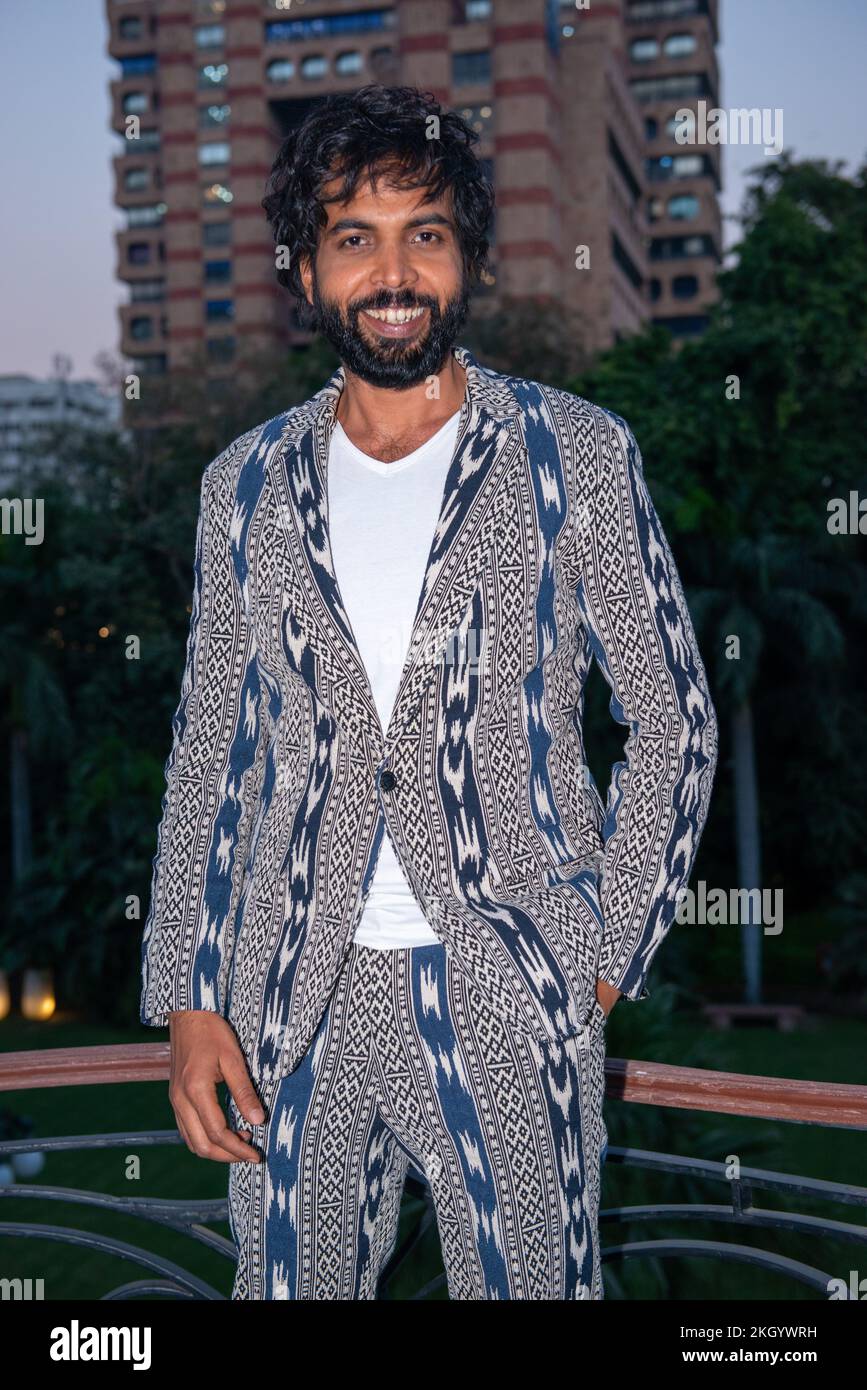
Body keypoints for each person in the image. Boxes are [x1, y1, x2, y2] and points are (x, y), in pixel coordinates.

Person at [140, 85, 718, 1300]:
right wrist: (191, 1002)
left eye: (428, 234)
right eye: (355, 237)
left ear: (469, 261)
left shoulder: (578, 454)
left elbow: (673, 719)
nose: (393, 271)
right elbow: (212, 757)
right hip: (292, 994)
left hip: (513, 986)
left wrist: (607, 956)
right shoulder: (242, 486)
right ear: (306, 273)